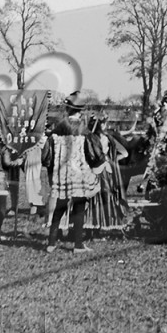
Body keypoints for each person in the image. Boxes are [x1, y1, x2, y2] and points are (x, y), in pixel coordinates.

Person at [41, 92, 107, 253]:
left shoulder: (57, 130)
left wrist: (52, 171)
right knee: (79, 209)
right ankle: (78, 244)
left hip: (61, 175)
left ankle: (51, 243)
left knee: (59, 208)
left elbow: (46, 156)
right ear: (81, 111)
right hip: (80, 175)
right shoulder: (85, 131)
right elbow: (95, 154)